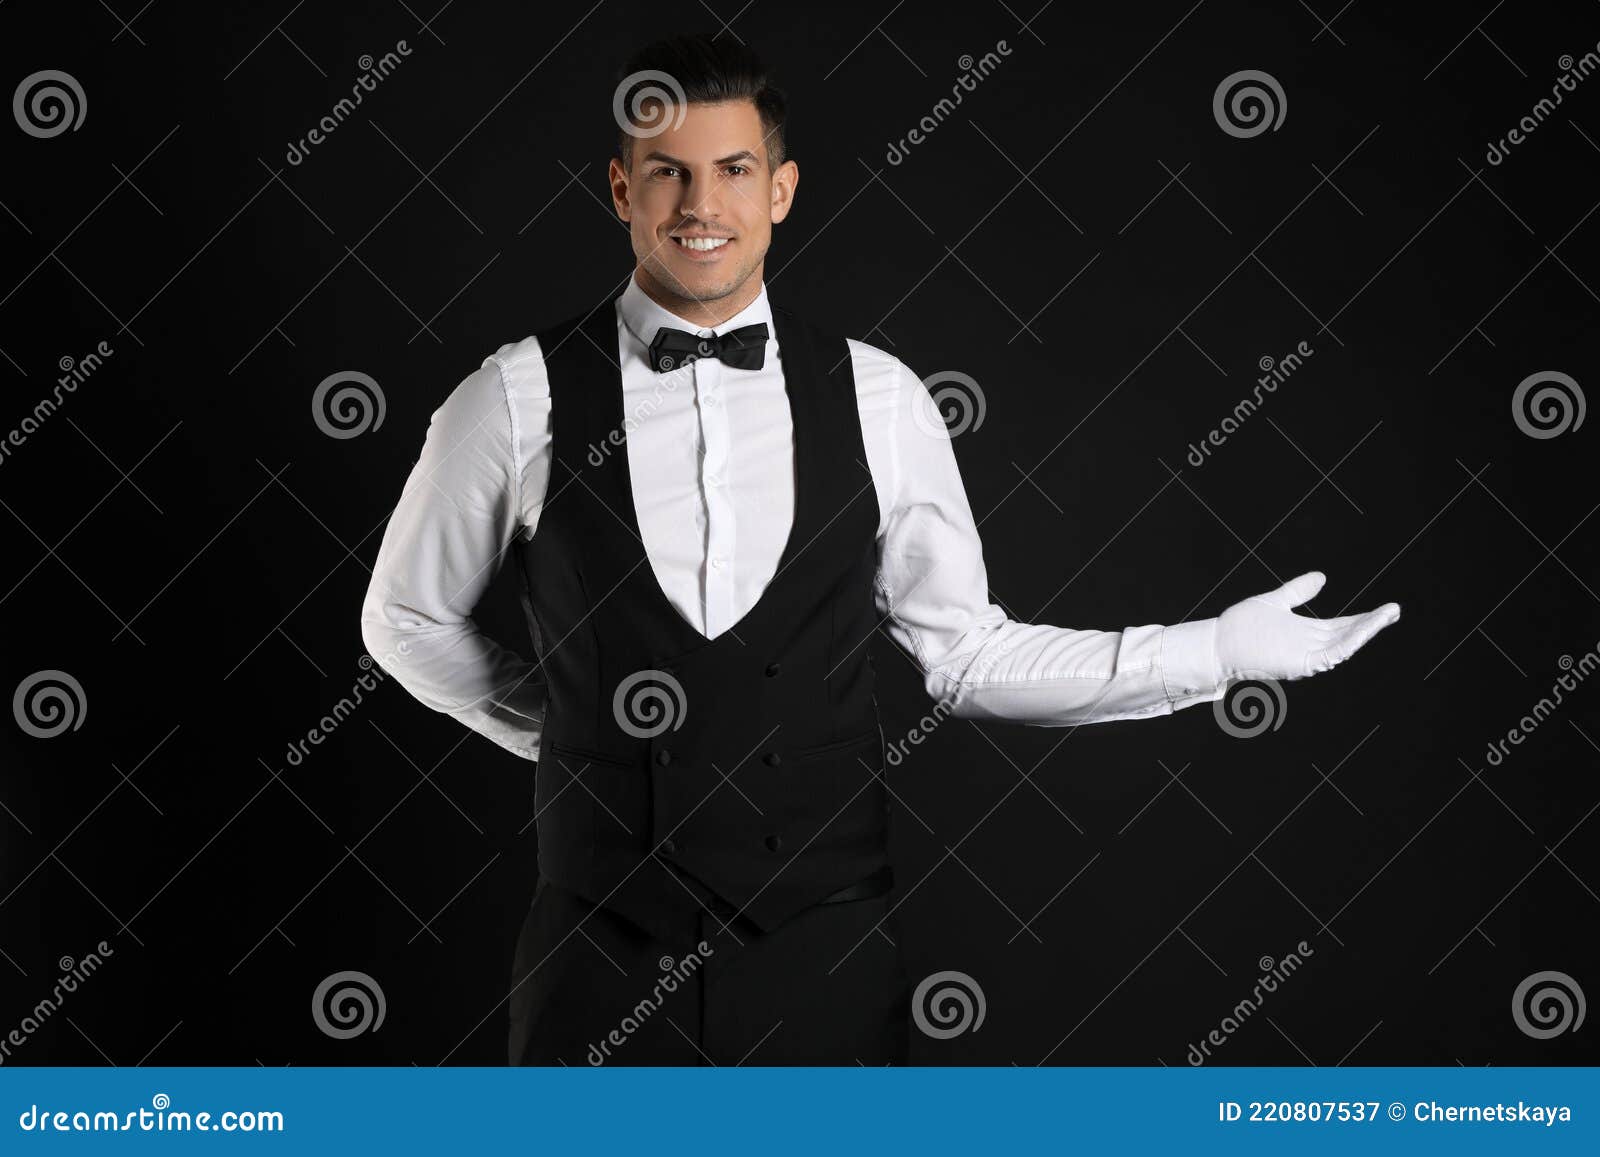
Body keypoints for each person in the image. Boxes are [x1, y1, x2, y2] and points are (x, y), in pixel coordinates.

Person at [359, 33, 1401, 1066]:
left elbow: (968, 656)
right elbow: (403, 620)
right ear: (621, 189)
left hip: (825, 951)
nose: (699, 207)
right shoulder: (513, 396)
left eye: (732, 171)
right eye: (668, 174)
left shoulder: (880, 396)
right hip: (598, 948)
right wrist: (577, 743)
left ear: (781, 190)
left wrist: (1213, 651)